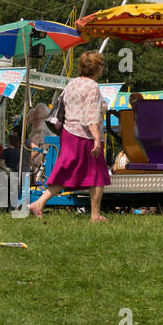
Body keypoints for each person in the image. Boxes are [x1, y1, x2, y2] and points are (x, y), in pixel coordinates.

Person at [30, 52, 113, 222]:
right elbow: (91, 115)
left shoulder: (72, 84)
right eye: (102, 64)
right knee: (97, 174)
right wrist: (97, 138)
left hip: (68, 133)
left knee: (66, 171)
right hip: (85, 136)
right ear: (96, 67)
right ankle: (95, 215)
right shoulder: (92, 86)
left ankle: (38, 203)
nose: (103, 68)